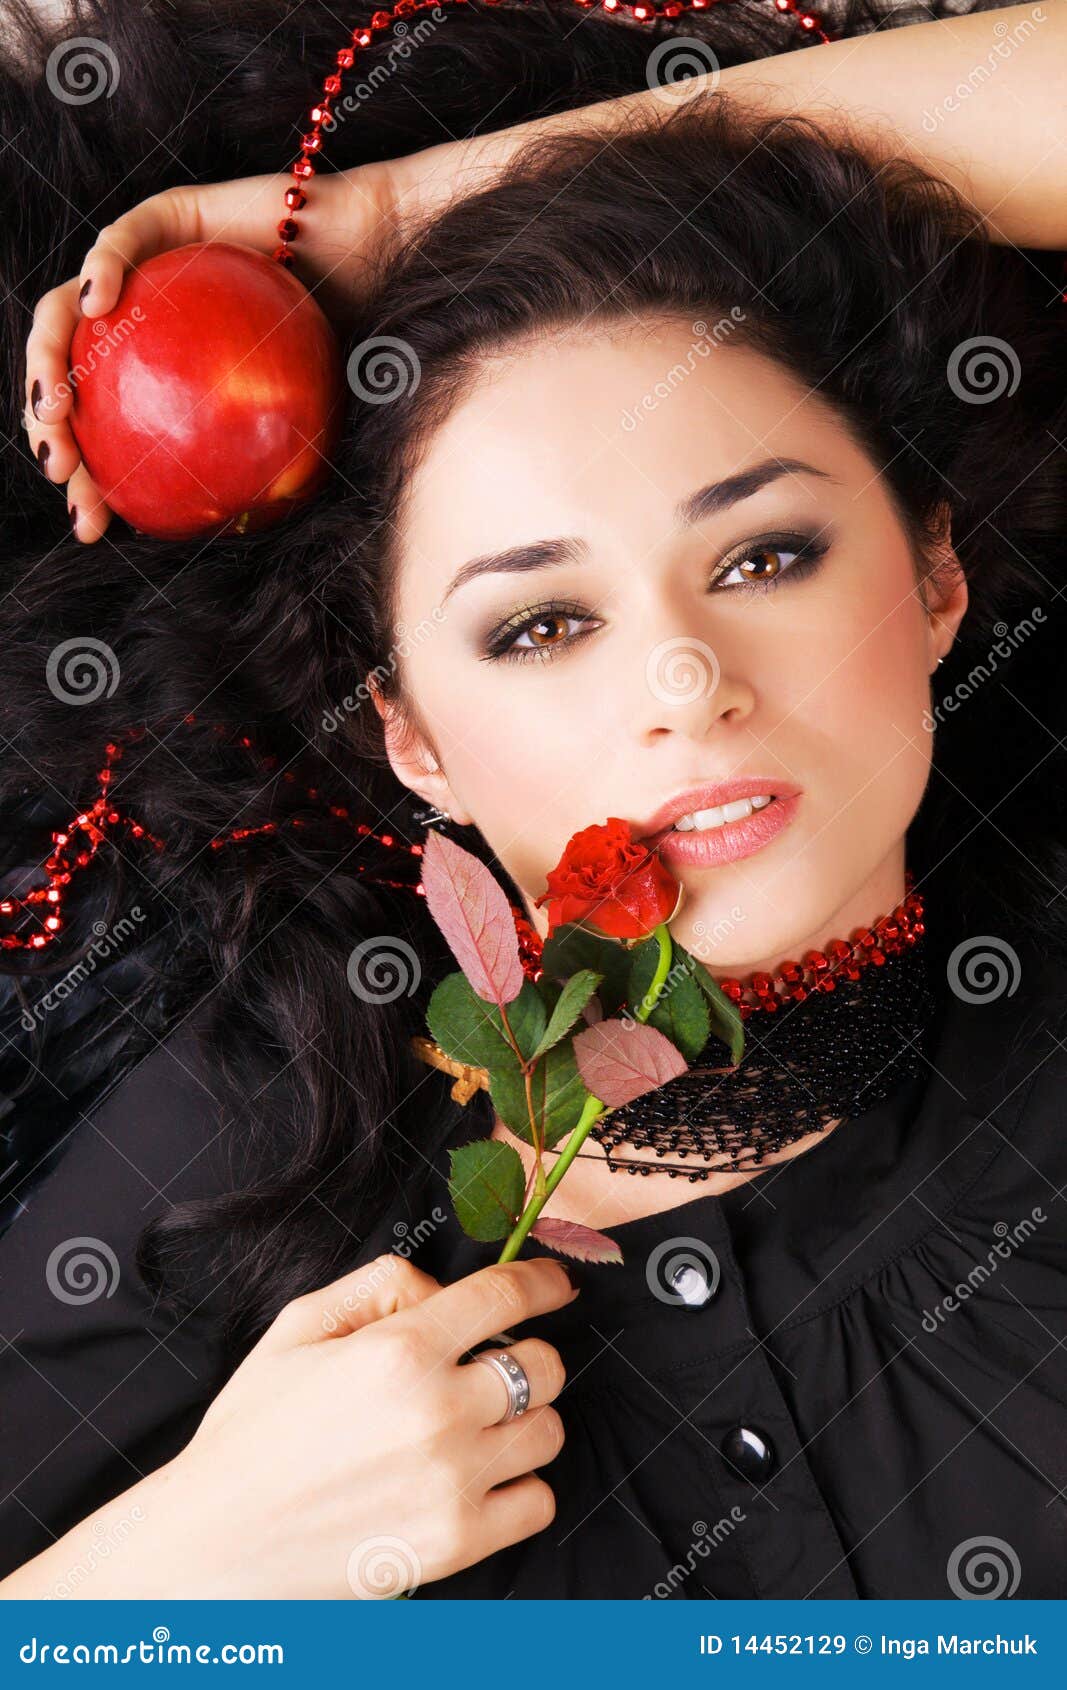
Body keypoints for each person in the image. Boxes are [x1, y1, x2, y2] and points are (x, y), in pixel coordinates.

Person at [2, 0, 1066, 1600]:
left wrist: (381, 219)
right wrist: (170, 1577)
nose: (686, 681)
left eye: (765, 556)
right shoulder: (234, 1160)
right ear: (411, 735)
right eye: (543, 624)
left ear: (933, 577)